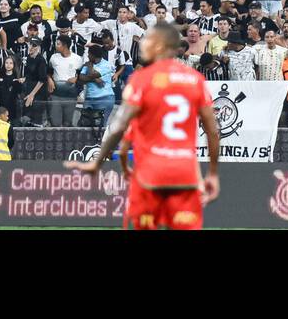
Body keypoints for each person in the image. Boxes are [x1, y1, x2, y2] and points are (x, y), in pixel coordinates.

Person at [65, 22, 221, 230]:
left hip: (150, 172)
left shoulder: (143, 79)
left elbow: (120, 126)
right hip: (184, 173)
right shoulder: (195, 80)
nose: (143, 45)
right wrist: (212, 173)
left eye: (148, 40)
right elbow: (212, 130)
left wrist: (98, 161)